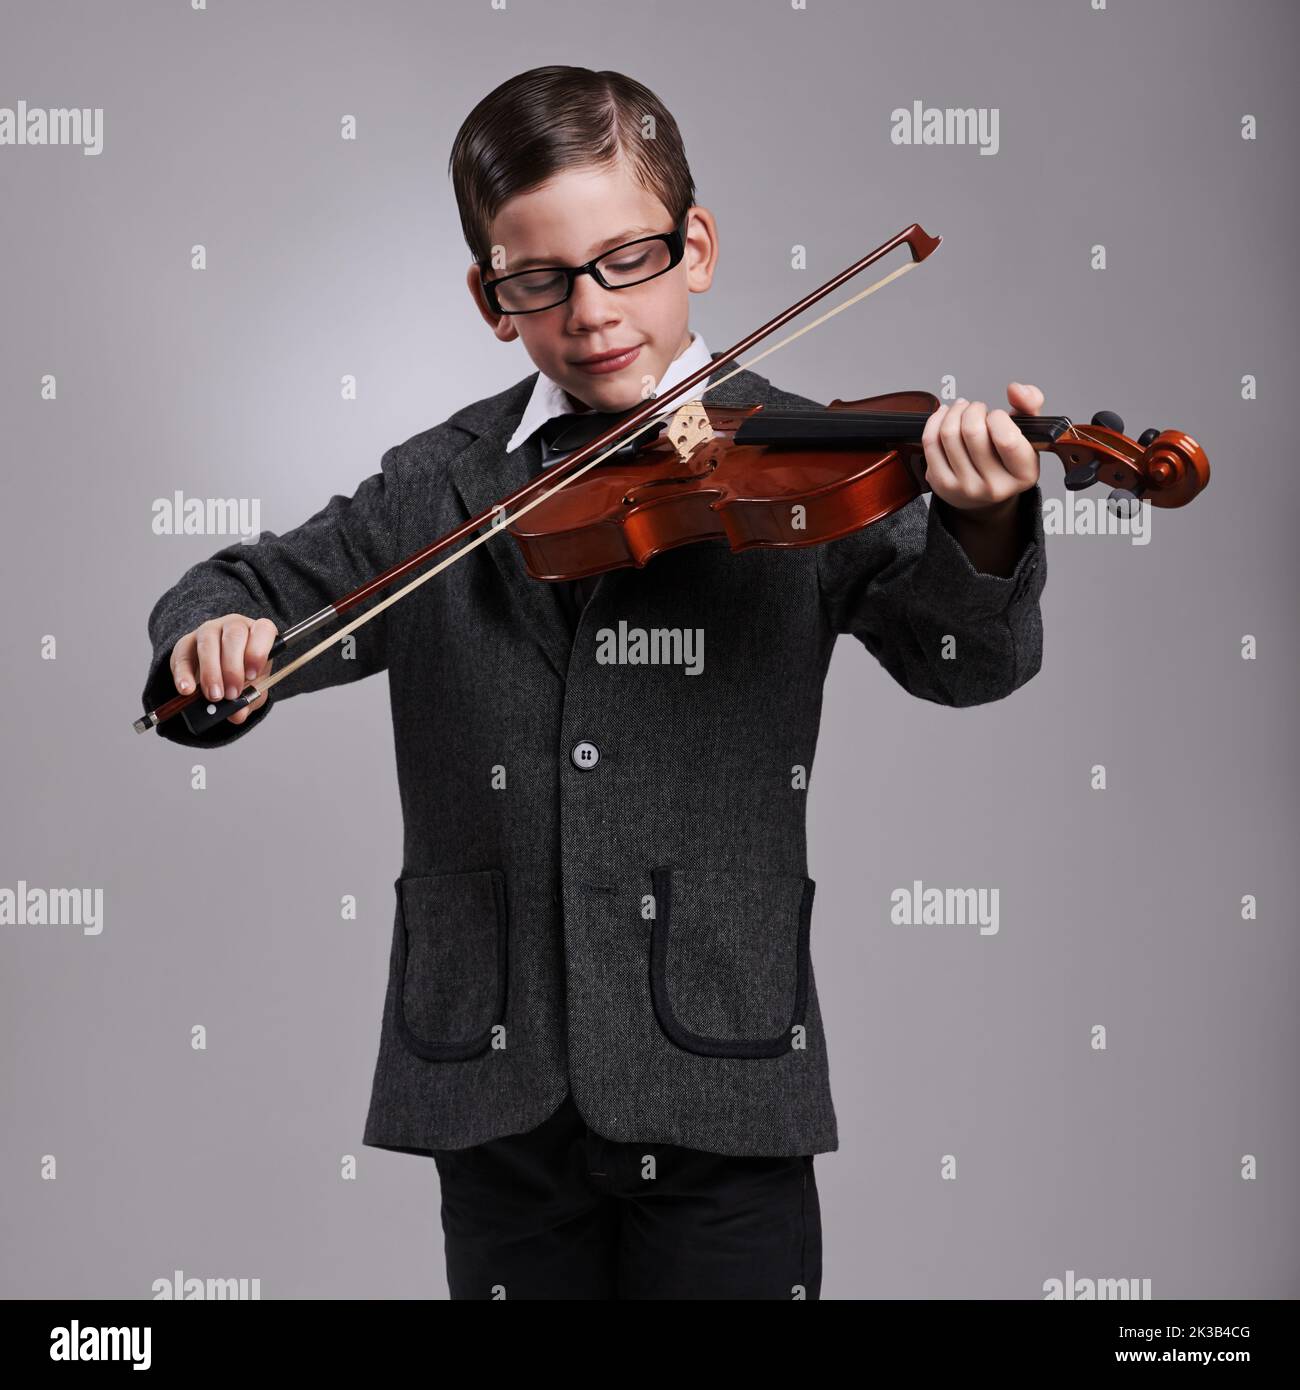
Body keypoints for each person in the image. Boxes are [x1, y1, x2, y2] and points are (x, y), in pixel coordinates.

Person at [139, 65, 1047, 1300]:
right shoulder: (441, 485)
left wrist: (981, 528)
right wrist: (218, 639)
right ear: (488, 297)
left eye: (628, 260)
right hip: (496, 1080)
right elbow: (239, 582)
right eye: (539, 280)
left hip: (719, 1062)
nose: (592, 310)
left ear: (698, 247)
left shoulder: (804, 462)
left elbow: (966, 661)